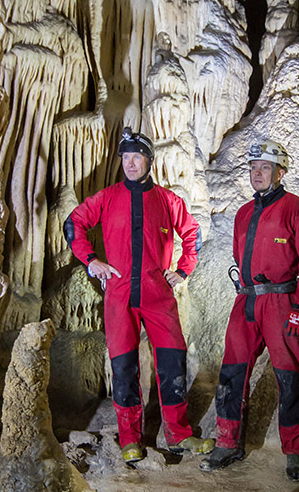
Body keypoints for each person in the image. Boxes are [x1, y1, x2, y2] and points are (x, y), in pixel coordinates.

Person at [65, 127, 213, 464]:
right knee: (124, 367)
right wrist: (92, 261)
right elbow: (74, 225)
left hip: (157, 293)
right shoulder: (107, 197)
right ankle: (130, 439)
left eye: (137, 157)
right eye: (126, 158)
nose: (130, 164)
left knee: (173, 364)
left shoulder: (166, 200)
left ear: (149, 160)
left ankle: (179, 434)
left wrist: (184, 268)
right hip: (119, 296)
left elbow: (193, 233)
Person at [200, 140, 299, 481]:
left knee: (288, 375)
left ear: (280, 172)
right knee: (232, 372)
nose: (257, 173)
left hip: (281, 302)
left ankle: (295, 452)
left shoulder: (298, 210)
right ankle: (227, 443)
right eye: (253, 167)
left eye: (265, 167)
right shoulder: (243, 213)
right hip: (247, 299)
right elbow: (239, 256)